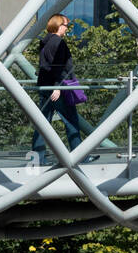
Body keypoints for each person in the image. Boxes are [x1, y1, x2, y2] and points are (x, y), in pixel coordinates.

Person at [32, 13, 94, 163]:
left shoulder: (44, 42)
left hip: (45, 86)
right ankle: (80, 156)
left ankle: (37, 158)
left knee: (43, 123)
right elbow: (58, 67)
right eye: (66, 25)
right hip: (58, 88)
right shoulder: (59, 43)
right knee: (71, 120)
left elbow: (45, 66)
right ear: (59, 25)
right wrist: (58, 87)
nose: (67, 29)